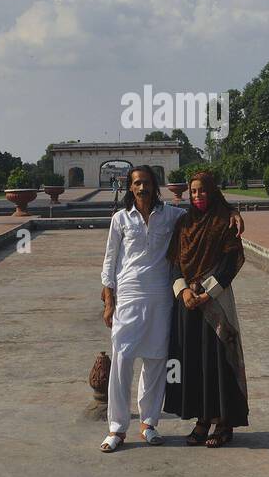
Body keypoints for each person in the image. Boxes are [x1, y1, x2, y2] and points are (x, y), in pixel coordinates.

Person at [99, 166, 245, 452]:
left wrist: (233, 212)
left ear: (155, 187)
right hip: (129, 295)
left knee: (156, 361)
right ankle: (116, 428)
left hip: (162, 297)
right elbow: (109, 260)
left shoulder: (172, 216)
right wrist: (108, 300)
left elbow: (208, 207)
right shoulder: (120, 219)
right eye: (137, 183)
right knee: (122, 360)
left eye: (147, 183)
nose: (142, 188)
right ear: (130, 187)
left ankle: (149, 423)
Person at [163, 171, 249, 448]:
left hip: (215, 301)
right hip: (188, 303)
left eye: (202, 190)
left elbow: (230, 262)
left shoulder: (224, 222)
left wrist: (206, 292)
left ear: (212, 191)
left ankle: (223, 421)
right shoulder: (184, 223)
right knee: (194, 362)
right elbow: (174, 262)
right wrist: (183, 291)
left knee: (218, 361)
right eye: (193, 191)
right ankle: (202, 418)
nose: (198, 195)